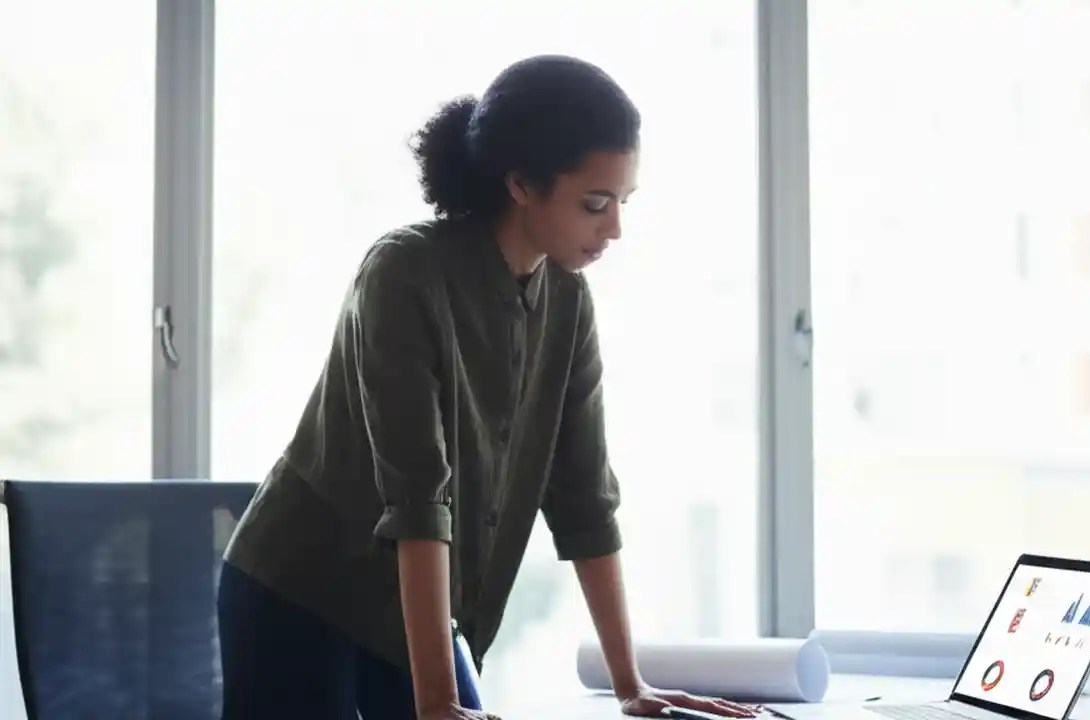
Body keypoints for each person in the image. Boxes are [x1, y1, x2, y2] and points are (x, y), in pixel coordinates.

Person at [216, 55, 760, 720]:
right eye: (595, 204)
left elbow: (584, 497)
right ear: (521, 184)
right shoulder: (403, 272)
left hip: (411, 610)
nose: (614, 227)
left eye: (624, 202)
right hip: (301, 594)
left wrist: (630, 684)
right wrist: (438, 703)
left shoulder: (568, 301)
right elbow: (418, 497)